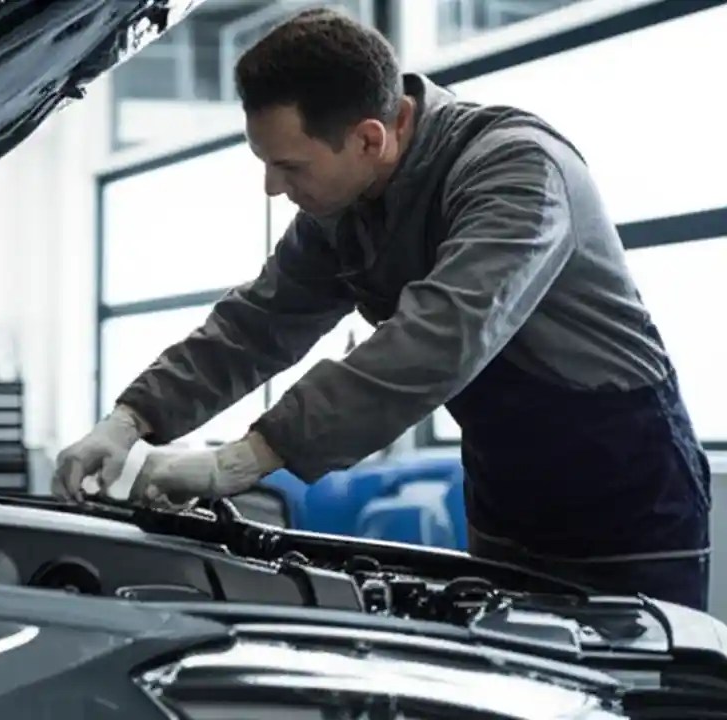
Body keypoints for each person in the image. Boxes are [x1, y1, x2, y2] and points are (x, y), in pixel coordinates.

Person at [52, 8, 712, 609]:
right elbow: (257, 324)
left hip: (627, 496)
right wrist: (129, 419)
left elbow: (435, 339)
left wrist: (239, 462)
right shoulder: (344, 208)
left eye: (289, 166)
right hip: (504, 495)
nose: (271, 187)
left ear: (369, 138)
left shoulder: (518, 173)